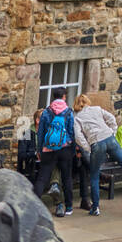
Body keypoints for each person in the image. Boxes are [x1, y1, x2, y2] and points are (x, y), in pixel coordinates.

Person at [33, 87, 75, 217]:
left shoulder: (46, 112)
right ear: (64, 97)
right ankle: (68, 207)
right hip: (65, 149)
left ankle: (33, 206)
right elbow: (71, 132)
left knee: (42, 178)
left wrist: (40, 149)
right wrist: (72, 148)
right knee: (66, 177)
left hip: (49, 149)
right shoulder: (68, 112)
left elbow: (41, 133)